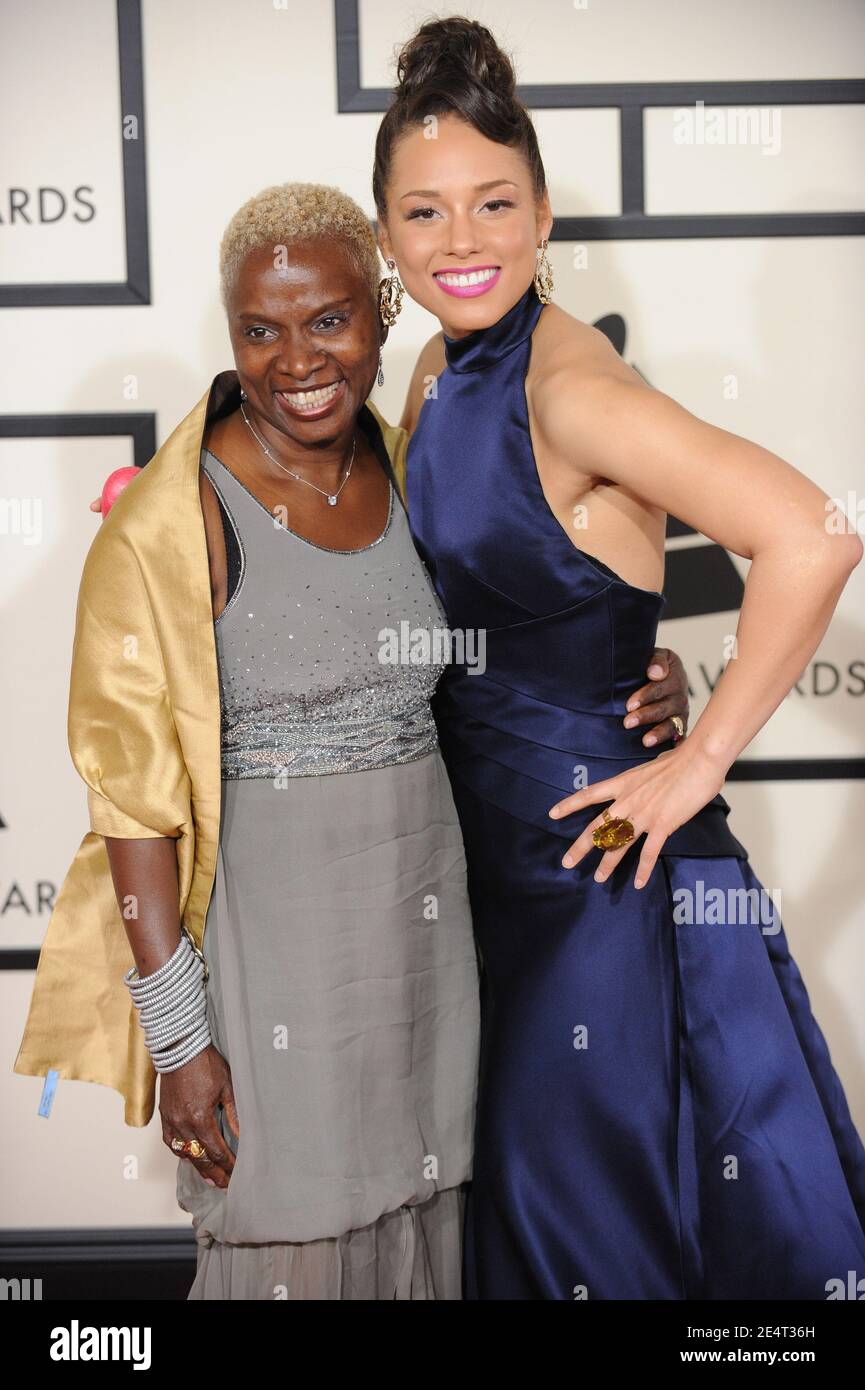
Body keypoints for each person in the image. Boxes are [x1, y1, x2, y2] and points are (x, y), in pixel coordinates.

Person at [12, 177, 691, 1300]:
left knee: (428, 1224)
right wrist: (181, 1044)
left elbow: (506, 645)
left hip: (428, 935)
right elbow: (133, 811)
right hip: (276, 955)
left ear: (381, 311)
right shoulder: (170, 525)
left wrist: (631, 676)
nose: (295, 359)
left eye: (326, 319)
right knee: (295, 1236)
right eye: (259, 330)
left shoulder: (413, 463)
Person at [371, 15, 865, 1299]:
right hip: (492, 878)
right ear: (385, 240)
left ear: (543, 219)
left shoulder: (568, 388)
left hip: (602, 879)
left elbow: (812, 537)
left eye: (493, 204)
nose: (461, 241)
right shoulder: (434, 369)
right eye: (424, 214)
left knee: (608, 1234)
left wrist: (698, 755)